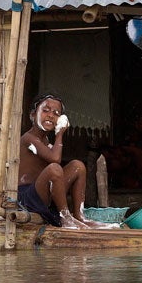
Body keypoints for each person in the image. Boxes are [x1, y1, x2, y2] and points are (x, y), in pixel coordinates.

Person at [17, 93, 110, 230]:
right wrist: (60, 134)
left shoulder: (46, 140)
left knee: (78, 166)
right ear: (32, 115)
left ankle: (79, 216)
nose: (50, 115)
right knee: (54, 169)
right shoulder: (28, 138)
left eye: (56, 113)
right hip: (27, 198)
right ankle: (65, 217)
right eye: (45, 110)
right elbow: (55, 159)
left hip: (43, 193)